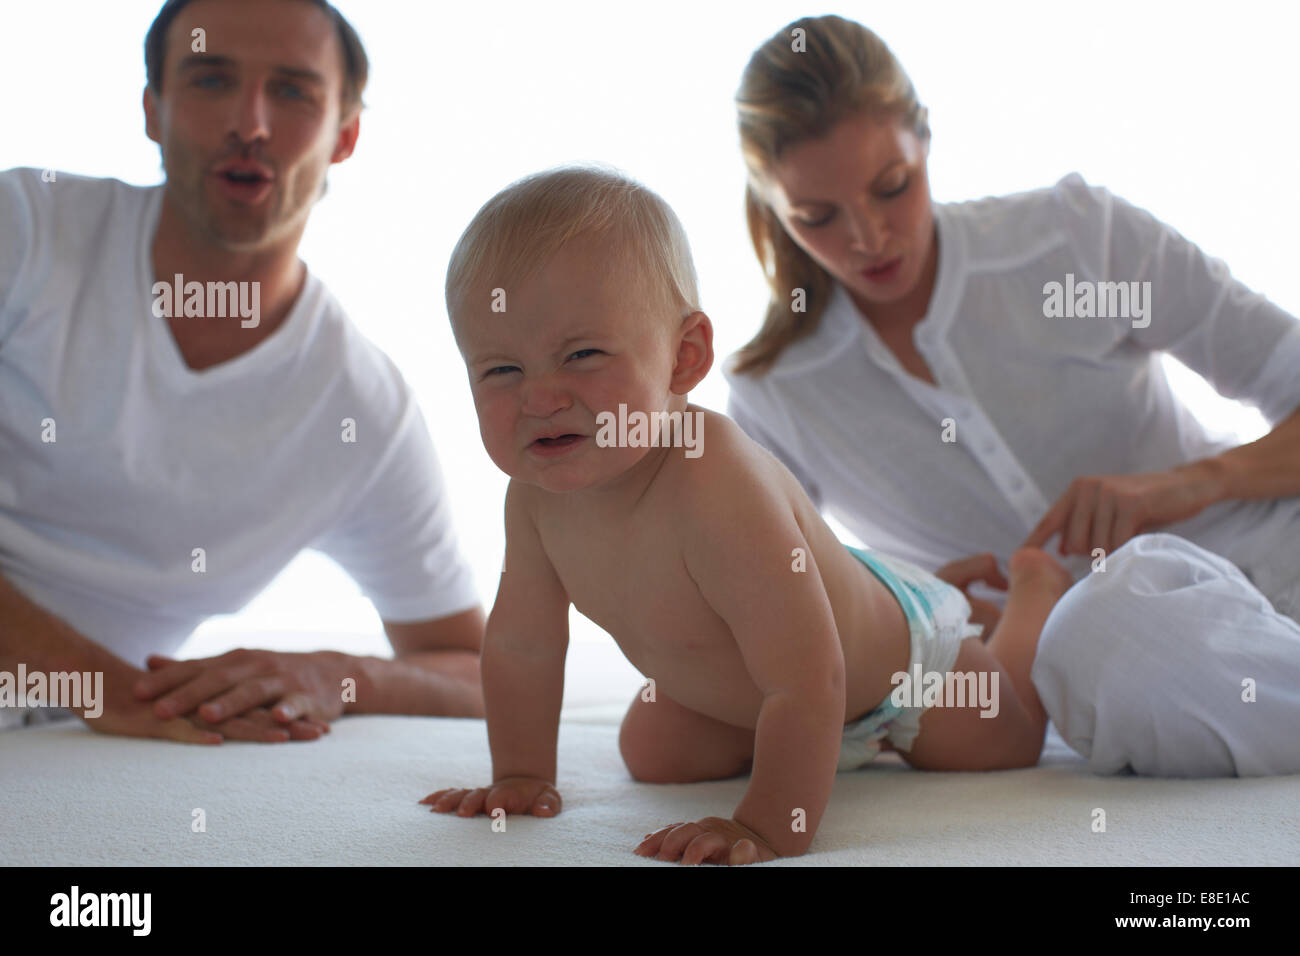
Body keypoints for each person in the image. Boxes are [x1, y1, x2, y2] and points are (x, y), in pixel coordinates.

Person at [421, 165, 1076, 865]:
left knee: (1000, 742)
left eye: (582, 355)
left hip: (894, 674)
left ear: (685, 358)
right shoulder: (533, 498)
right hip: (755, 698)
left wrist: (768, 824)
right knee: (653, 751)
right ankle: (886, 607)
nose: (540, 398)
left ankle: (1031, 599)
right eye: (500, 371)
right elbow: (524, 645)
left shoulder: (714, 478)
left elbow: (810, 675)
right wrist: (521, 774)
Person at [723, 14, 1300, 776]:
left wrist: (1187, 485)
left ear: (924, 142)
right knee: (1097, 631)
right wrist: (905, 608)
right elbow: (782, 619)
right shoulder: (772, 397)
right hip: (1127, 655)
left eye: (891, 187)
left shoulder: (1074, 237)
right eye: (818, 217)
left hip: (1272, 540)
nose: (867, 238)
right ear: (770, 208)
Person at [0, 0, 486, 743]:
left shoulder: (362, 411)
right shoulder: (26, 228)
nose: (250, 124)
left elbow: (479, 668)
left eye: (293, 91)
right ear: (152, 110)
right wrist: (106, 687)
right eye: (210, 79)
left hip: (61, 738)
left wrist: (334, 674)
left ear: (344, 135)